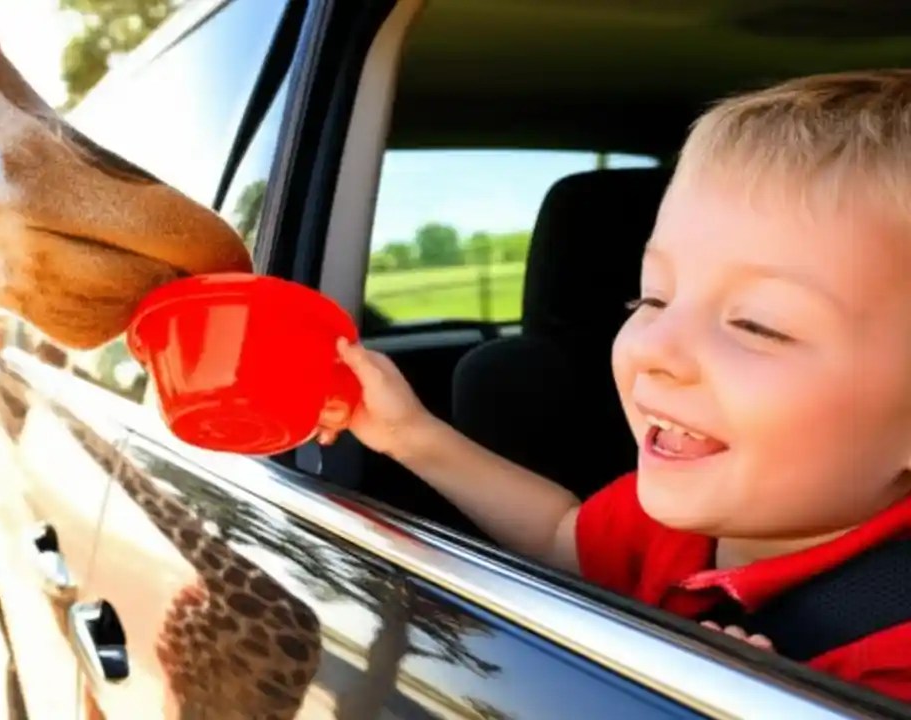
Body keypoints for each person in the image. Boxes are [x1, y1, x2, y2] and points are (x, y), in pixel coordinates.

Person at [326, 69, 911, 703]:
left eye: (757, 324)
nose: (653, 348)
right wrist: (409, 436)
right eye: (653, 296)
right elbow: (561, 536)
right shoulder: (680, 522)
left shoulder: (891, 660)